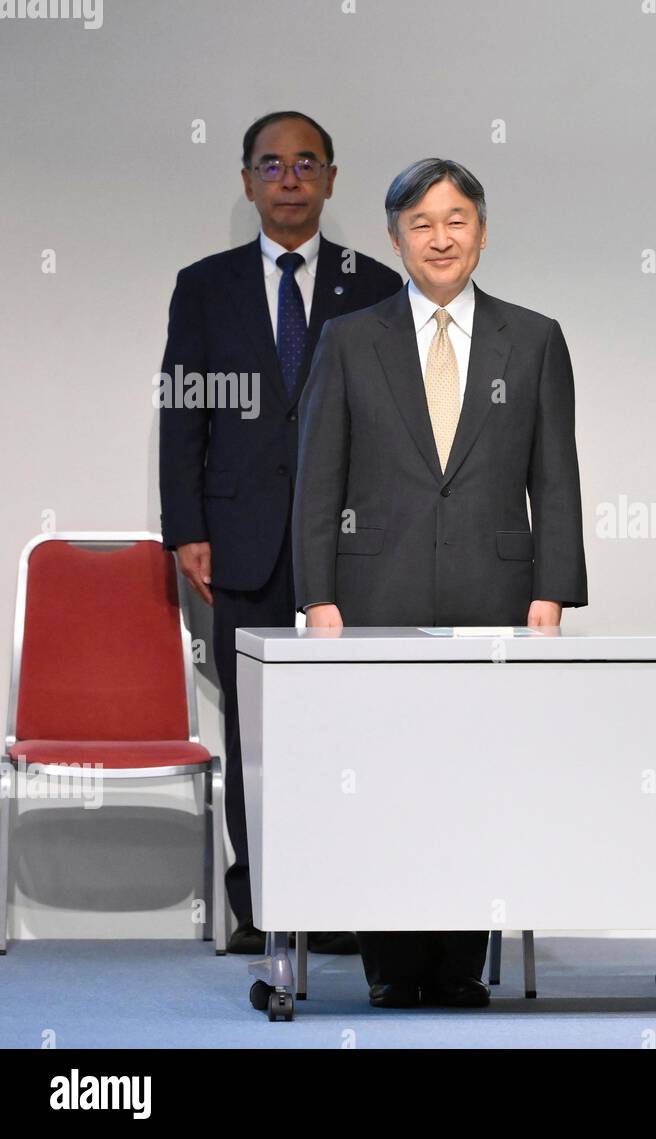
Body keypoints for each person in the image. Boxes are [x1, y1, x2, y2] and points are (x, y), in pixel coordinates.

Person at [293, 157, 588, 1009]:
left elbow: (556, 475)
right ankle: (392, 966)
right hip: (372, 596)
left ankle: (458, 964)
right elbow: (318, 480)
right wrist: (317, 597)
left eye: (457, 219)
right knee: (386, 777)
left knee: (478, 777)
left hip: (497, 597)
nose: (441, 236)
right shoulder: (351, 340)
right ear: (395, 239)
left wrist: (552, 591)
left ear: (483, 232)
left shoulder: (532, 338)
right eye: (421, 223)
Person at [159, 110, 402, 954]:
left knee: (350, 729)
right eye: (272, 164)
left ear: (332, 179)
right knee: (255, 733)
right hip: (243, 542)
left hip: (352, 547)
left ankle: (344, 907)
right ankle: (260, 907)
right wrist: (186, 526)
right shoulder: (206, 285)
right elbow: (181, 410)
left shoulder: (375, 284)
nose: (289, 178)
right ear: (247, 180)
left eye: (307, 164)